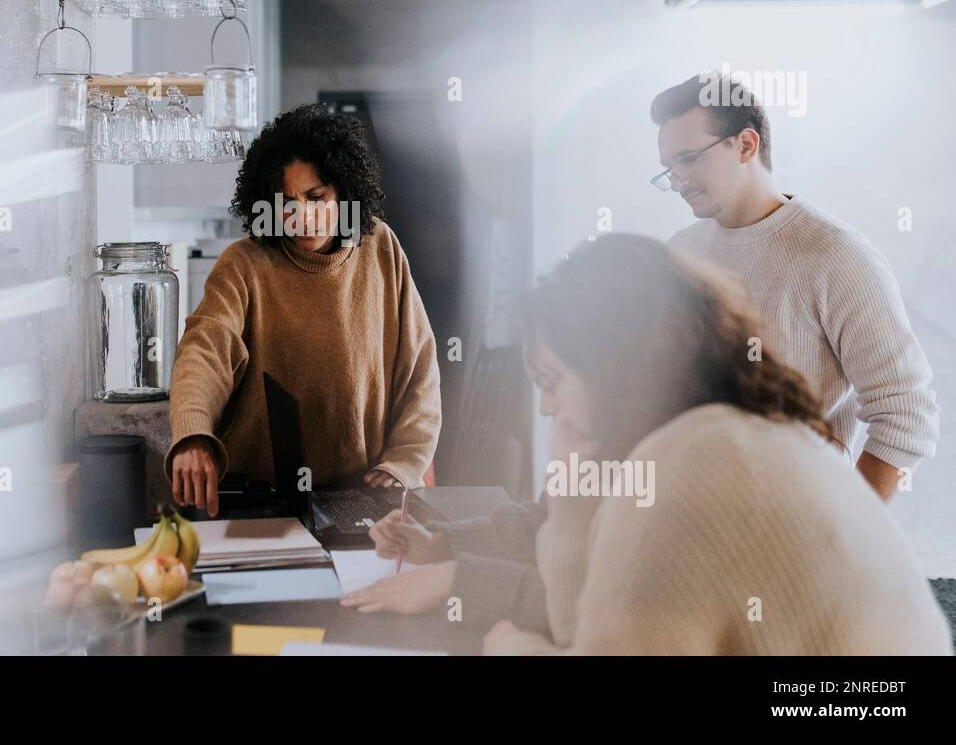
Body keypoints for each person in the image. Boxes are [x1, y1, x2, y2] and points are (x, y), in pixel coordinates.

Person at [350, 235, 951, 655]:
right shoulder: (723, 425)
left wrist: (513, 645)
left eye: (553, 383)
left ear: (619, 374)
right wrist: (449, 546)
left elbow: (594, 630)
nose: (546, 408)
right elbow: (587, 595)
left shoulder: (694, 463)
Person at [649, 71, 938, 500]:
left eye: (689, 159)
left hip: (790, 521)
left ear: (745, 145)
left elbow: (906, 413)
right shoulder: (679, 254)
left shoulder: (836, 256)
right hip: (688, 515)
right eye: (669, 168)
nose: (677, 180)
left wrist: (845, 525)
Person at [167, 105, 441, 516]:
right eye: (286, 202)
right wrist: (192, 434)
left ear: (344, 191)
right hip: (262, 499)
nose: (302, 217)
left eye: (316, 197)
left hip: (359, 496)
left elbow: (419, 370)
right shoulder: (243, 264)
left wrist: (404, 463)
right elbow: (204, 351)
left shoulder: (381, 248)